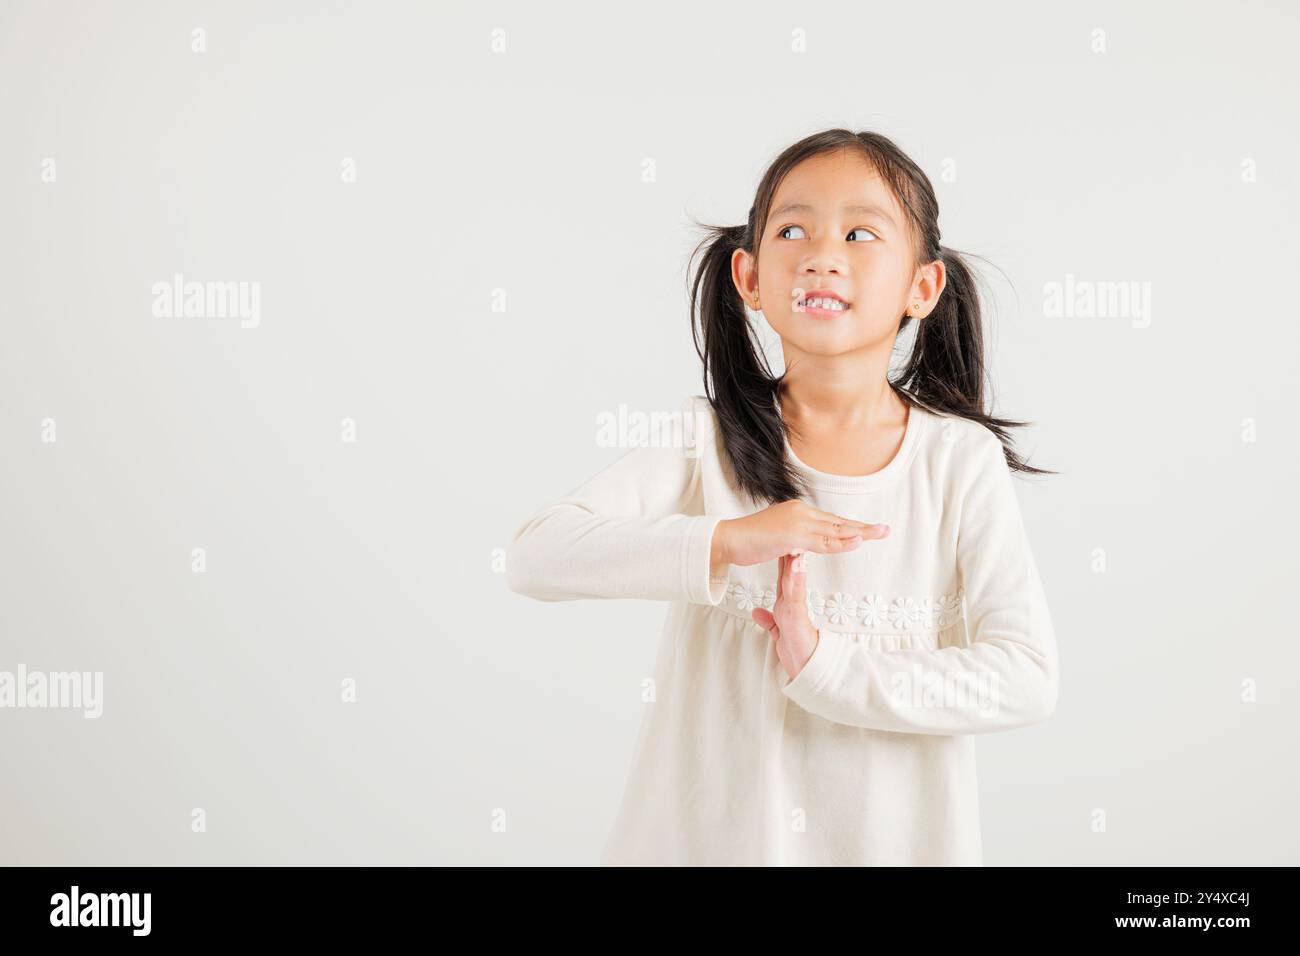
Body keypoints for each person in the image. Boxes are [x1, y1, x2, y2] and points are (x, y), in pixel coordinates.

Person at [505, 128, 1060, 866]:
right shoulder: (707, 440)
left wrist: (826, 668)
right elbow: (534, 557)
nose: (821, 252)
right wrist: (728, 541)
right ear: (750, 278)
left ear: (922, 288)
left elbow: (1025, 678)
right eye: (792, 228)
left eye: (861, 232)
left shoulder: (958, 461)